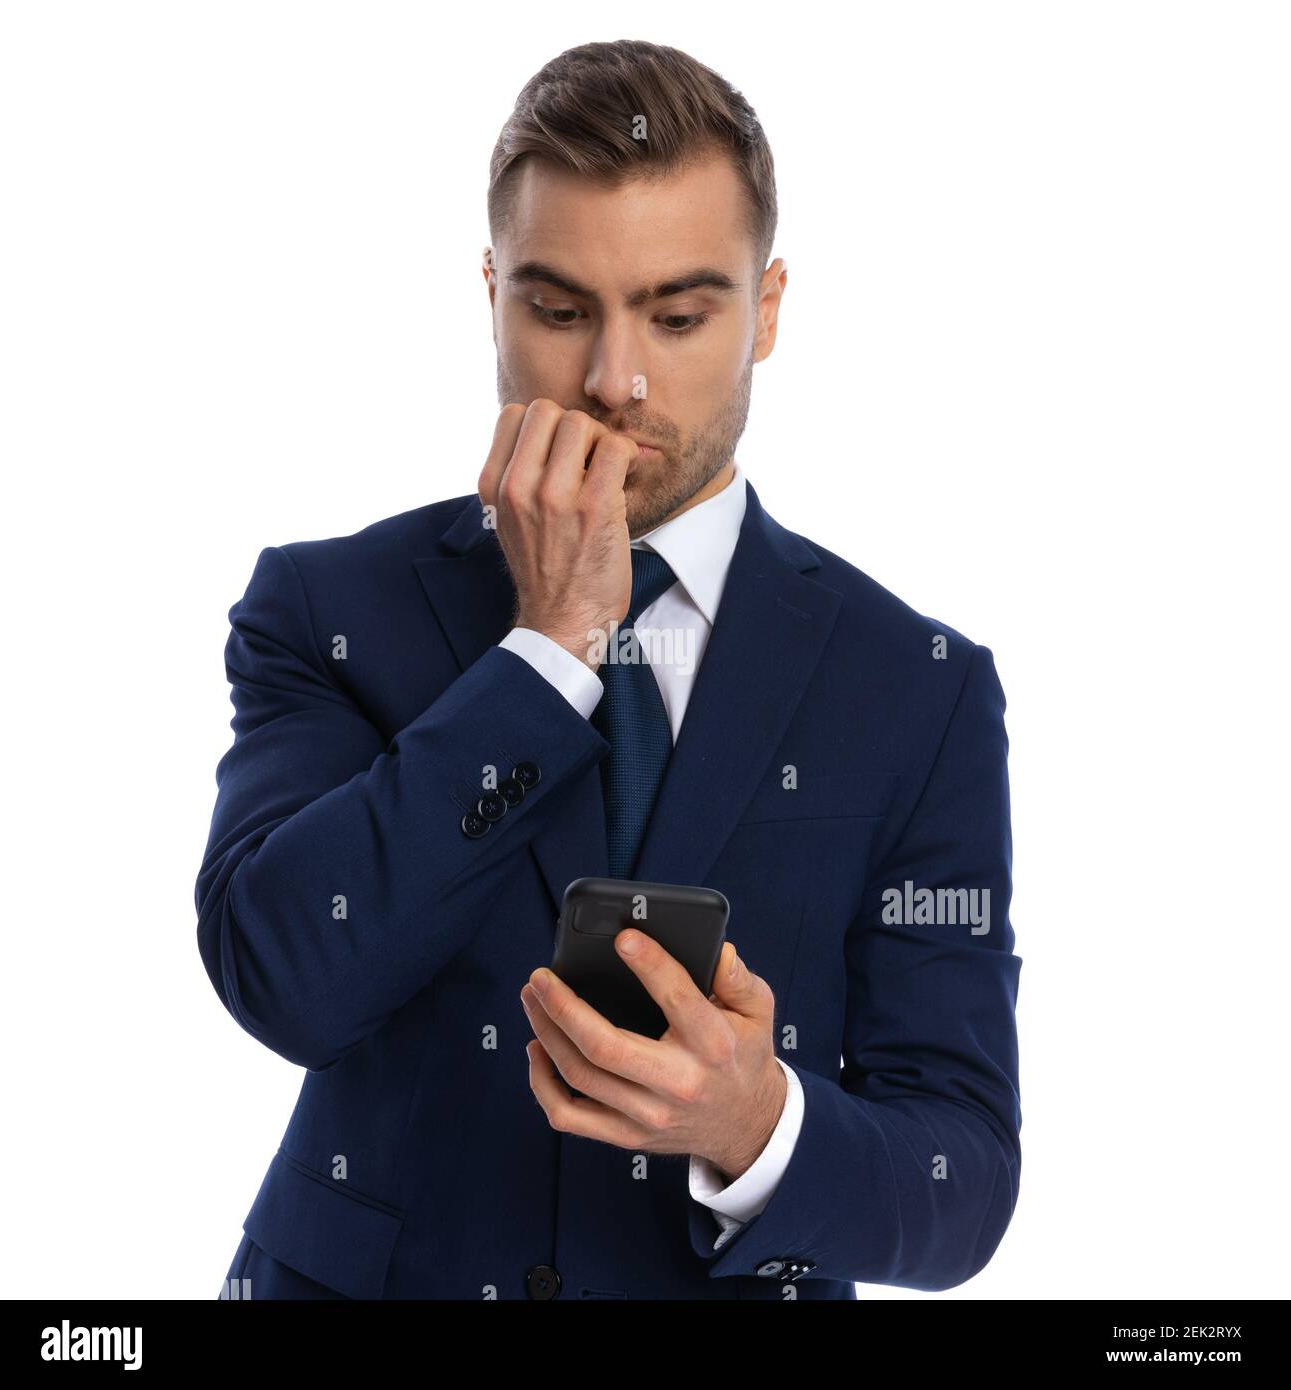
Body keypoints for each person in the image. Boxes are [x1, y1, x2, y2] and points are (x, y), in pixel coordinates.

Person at [201, 38, 1021, 1302]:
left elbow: (959, 1181)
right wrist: (545, 653)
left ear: (770, 308)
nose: (612, 382)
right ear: (492, 293)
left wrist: (757, 1125)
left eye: (680, 315)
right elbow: (283, 977)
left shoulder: (917, 688)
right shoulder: (325, 608)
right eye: (558, 307)